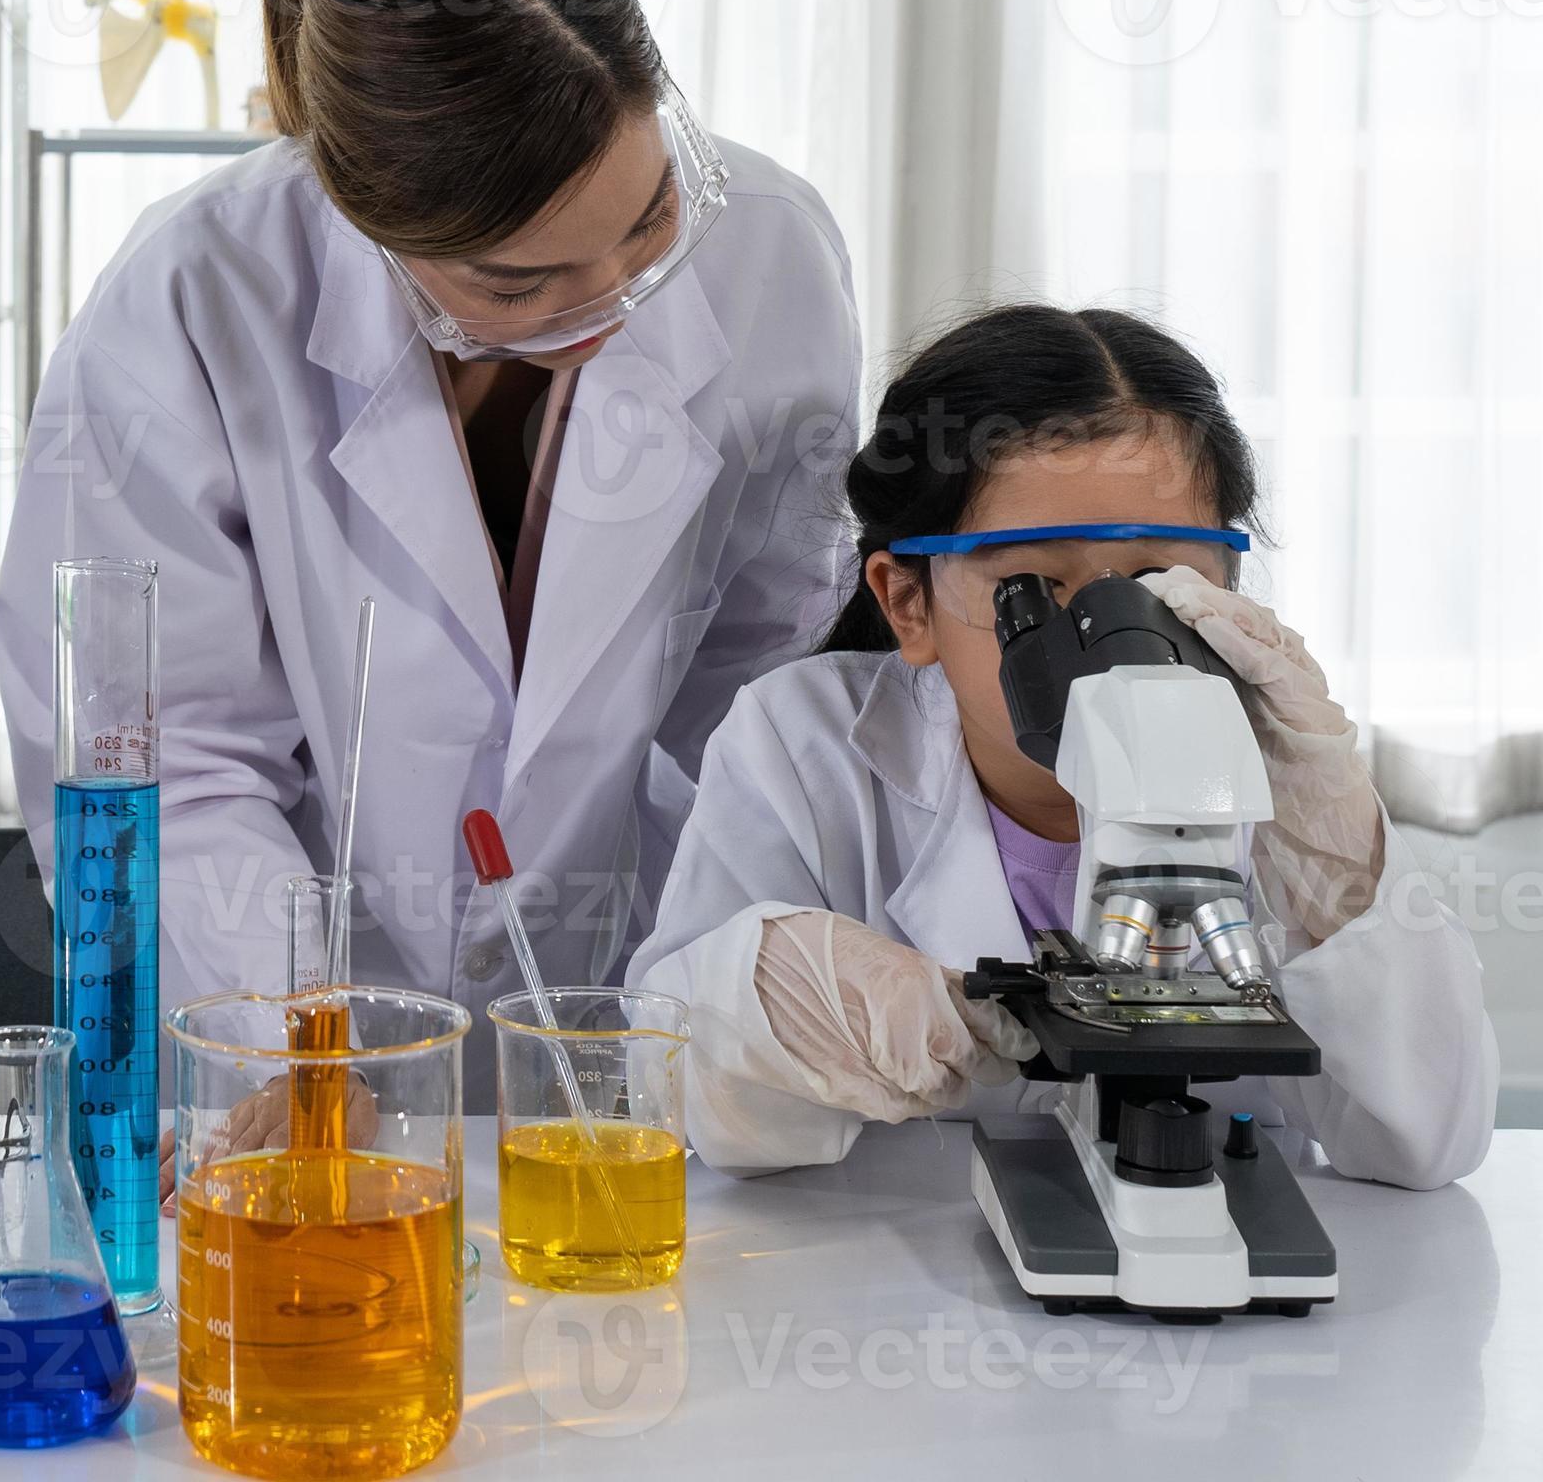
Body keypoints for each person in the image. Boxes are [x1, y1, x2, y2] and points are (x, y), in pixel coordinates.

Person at [0, 0, 862, 1055]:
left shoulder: (774, 253)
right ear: (368, 222)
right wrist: (299, 1044)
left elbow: (769, 674)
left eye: (652, 217)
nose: (614, 310)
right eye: (521, 284)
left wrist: (718, 985)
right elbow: (157, 763)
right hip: (289, 1012)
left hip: (641, 1009)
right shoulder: (196, 297)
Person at [630, 305, 1496, 1186]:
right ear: (909, 603)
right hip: (895, 1276)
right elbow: (683, 1100)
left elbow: (1427, 1140)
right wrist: (766, 1014)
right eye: (1034, 588)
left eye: (1160, 581)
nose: (1104, 631)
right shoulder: (804, 743)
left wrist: (1340, 866)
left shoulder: (1280, 756)